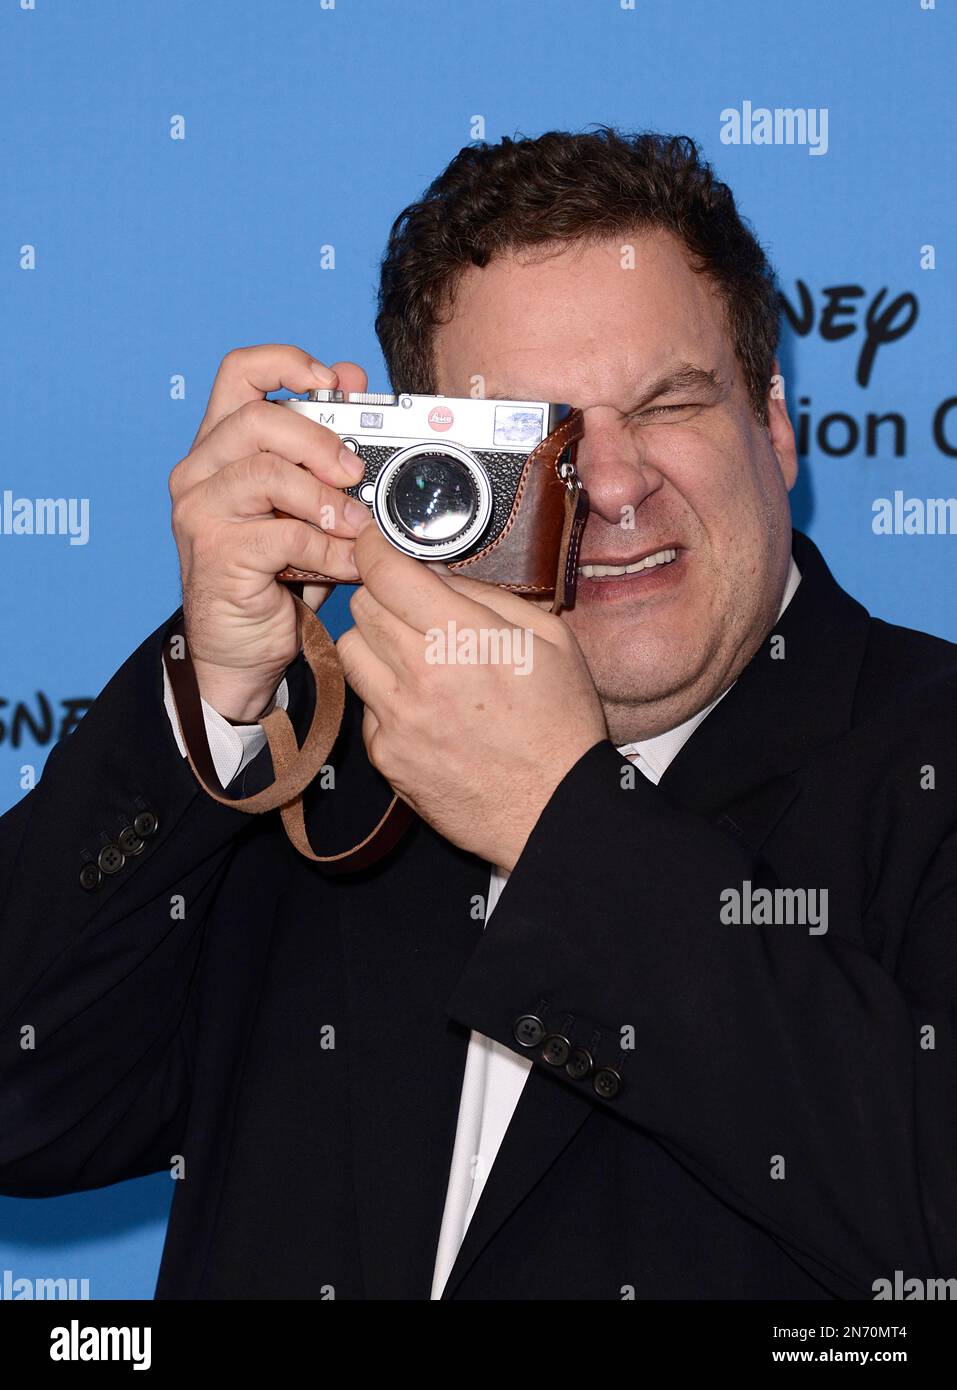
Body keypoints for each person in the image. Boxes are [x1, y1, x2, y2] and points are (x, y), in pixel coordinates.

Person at [0, 128, 954, 1301]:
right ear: (427, 471)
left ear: (776, 423)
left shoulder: (929, 759)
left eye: (668, 403)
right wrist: (217, 691)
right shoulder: (317, 774)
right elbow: (23, 1104)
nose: (610, 486)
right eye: (539, 434)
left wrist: (562, 825)